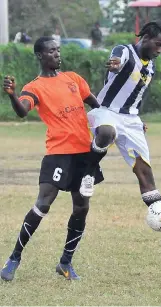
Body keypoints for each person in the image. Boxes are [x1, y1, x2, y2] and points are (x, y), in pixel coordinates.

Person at [0, 36, 105, 282]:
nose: (57, 54)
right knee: (43, 203)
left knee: (81, 207)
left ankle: (65, 263)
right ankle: (14, 257)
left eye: (58, 50)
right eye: (51, 51)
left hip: (84, 154)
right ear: (40, 55)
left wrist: (111, 124)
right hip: (58, 153)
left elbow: (96, 106)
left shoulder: (73, 79)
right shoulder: (34, 87)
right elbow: (23, 110)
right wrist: (12, 95)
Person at [79, 21, 161, 248]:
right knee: (107, 132)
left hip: (131, 120)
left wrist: (138, 118)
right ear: (146, 37)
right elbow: (117, 61)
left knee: (145, 174)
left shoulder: (151, 67)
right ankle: (88, 172)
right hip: (106, 111)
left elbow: (137, 94)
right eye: (157, 44)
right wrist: (115, 64)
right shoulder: (124, 51)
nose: (160, 50)